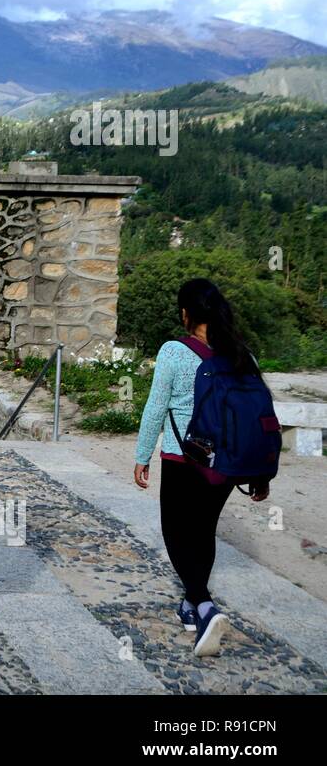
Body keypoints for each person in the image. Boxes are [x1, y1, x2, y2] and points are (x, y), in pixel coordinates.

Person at [133, 278, 271, 657]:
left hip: (184, 457)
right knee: (203, 530)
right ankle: (191, 607)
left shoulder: (174, 351)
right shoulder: (243, 353)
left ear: (186, 314)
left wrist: (143, 455)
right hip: (227, 464)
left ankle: (204, 604)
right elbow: (258, 416)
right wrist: (260, 472)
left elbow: (155, 407)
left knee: (176, 532)